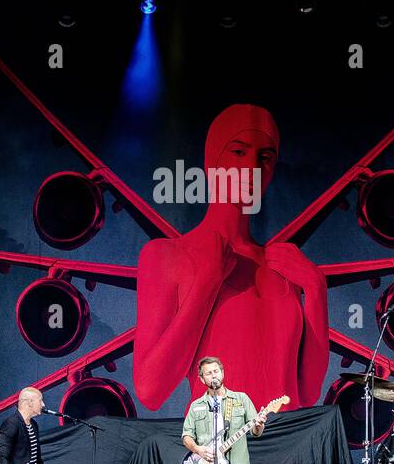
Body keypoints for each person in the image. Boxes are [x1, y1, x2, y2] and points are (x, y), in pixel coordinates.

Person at [135, 104, 329, 413]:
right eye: (238, 152)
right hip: (218, 448)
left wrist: (317, 291)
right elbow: (150, 390)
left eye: (265, 157)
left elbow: (306, 394)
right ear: (212, 159)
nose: (252, 166)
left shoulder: (283, 264)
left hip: (286, 447)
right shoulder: (167, 255)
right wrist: (207, 282)